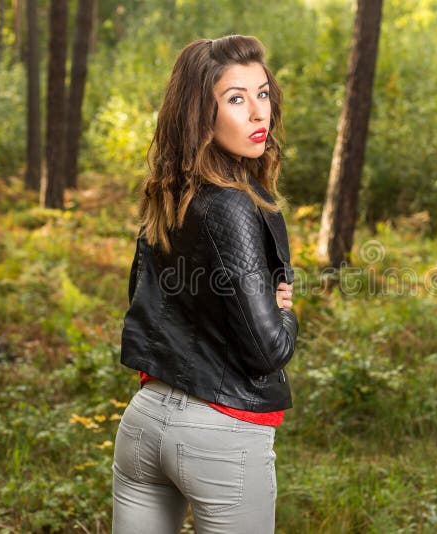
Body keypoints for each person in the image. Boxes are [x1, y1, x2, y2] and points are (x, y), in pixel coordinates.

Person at [112, 35, 299, 534]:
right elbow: (267, 350)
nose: (259, 113)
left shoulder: (170, 196)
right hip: (221, 435)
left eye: (262, 93)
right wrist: (287, 313)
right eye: (235, 98)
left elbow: (145, 301)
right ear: (200, 114)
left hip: (145, 422)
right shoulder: (236, 204)